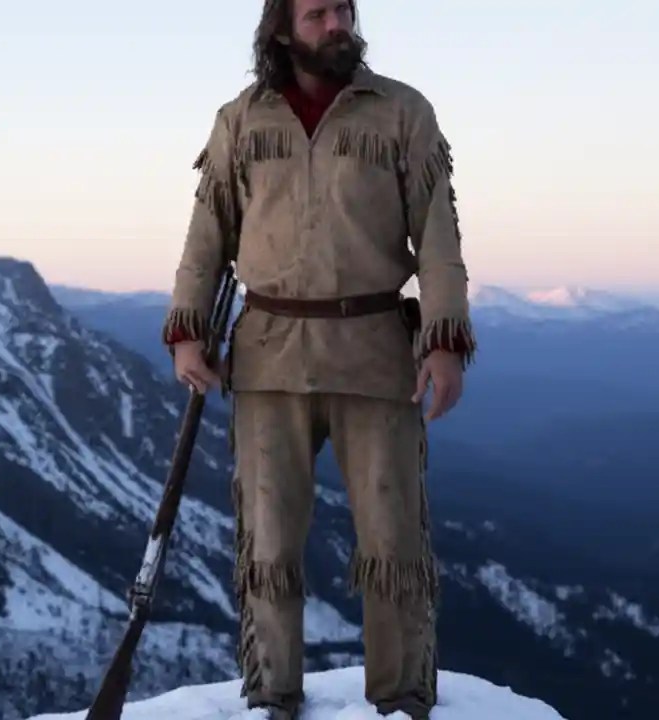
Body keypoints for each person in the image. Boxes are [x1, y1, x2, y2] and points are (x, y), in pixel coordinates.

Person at [160, 1, 476, 718]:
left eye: (342, 10)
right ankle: (273, 693)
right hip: (270, 354)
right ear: (281, 29)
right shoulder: (241, 119)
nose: (335, 24)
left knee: (393, 540)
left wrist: (446, 340)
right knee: (267, 539)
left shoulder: (401, 112)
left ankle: (400, 698)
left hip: (375, 350)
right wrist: (186, 329)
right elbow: (207, 229)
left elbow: (438, 235)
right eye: (316, 14)